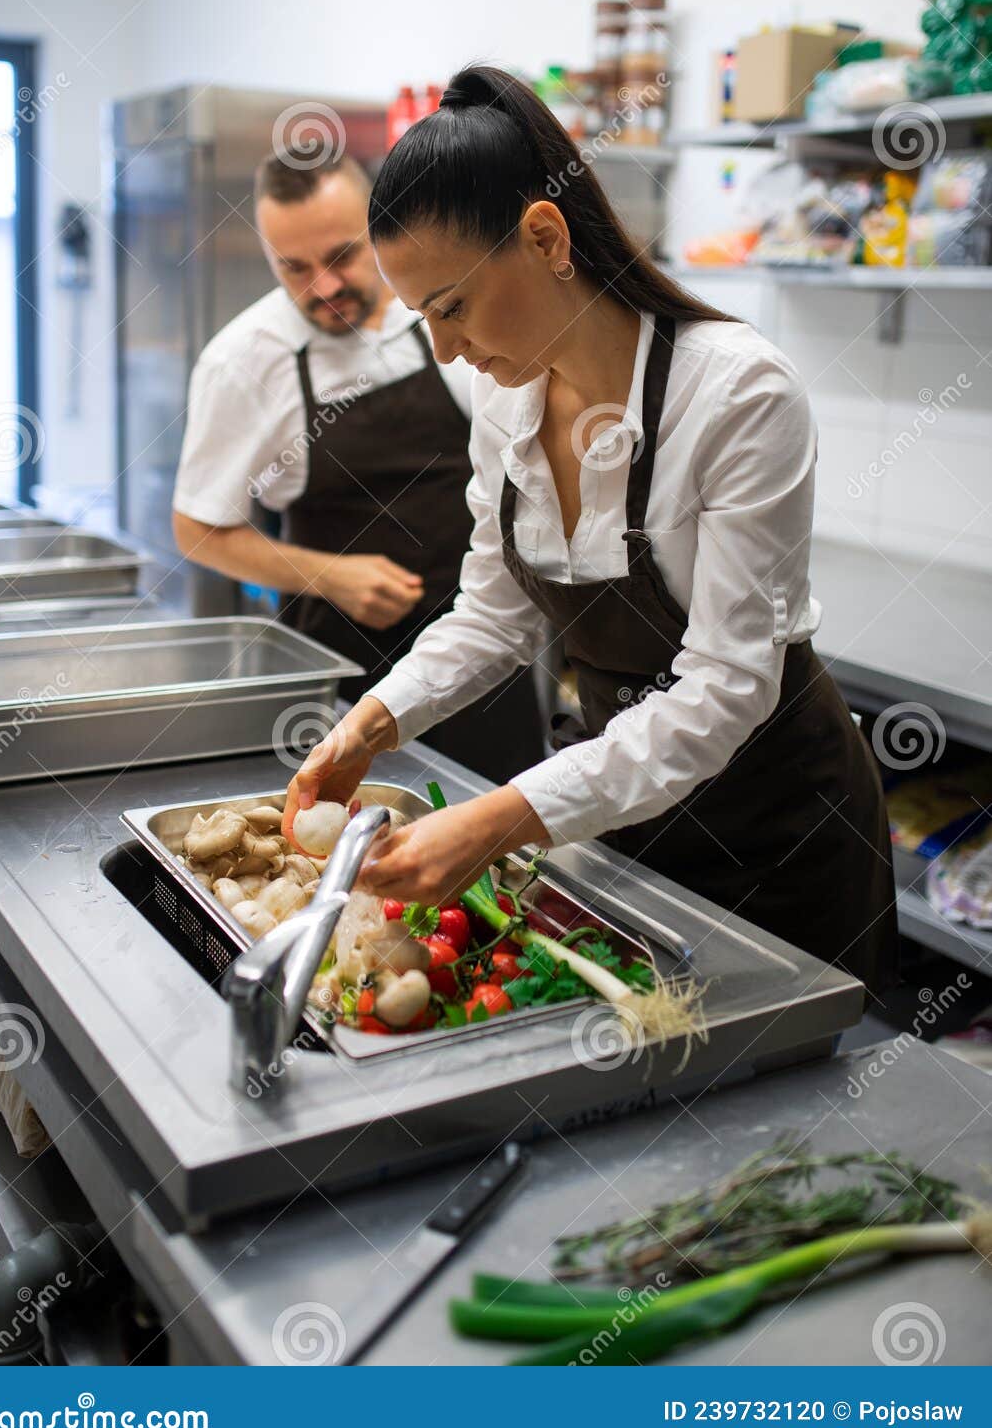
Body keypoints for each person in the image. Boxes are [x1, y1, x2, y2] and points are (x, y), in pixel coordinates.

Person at [282, 65, 899, 1001]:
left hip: (782, 828)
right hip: (626, 812)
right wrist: (369, 726)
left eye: (451, 306)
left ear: (544, 235)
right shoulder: (504, 397)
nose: (443, 349)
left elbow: (727, 685)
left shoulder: (735, 393)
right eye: (422, 319)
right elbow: (493, 617)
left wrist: (499, 817)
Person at [171, 140, 543, 785]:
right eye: (293, 268)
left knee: (504, 853)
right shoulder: (243, 362)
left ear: (379, 229)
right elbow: (197, 528)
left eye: (342, 255)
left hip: (483, 650)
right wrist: (329, 576)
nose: (326, 285)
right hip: (341, 673)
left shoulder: (442, 310)